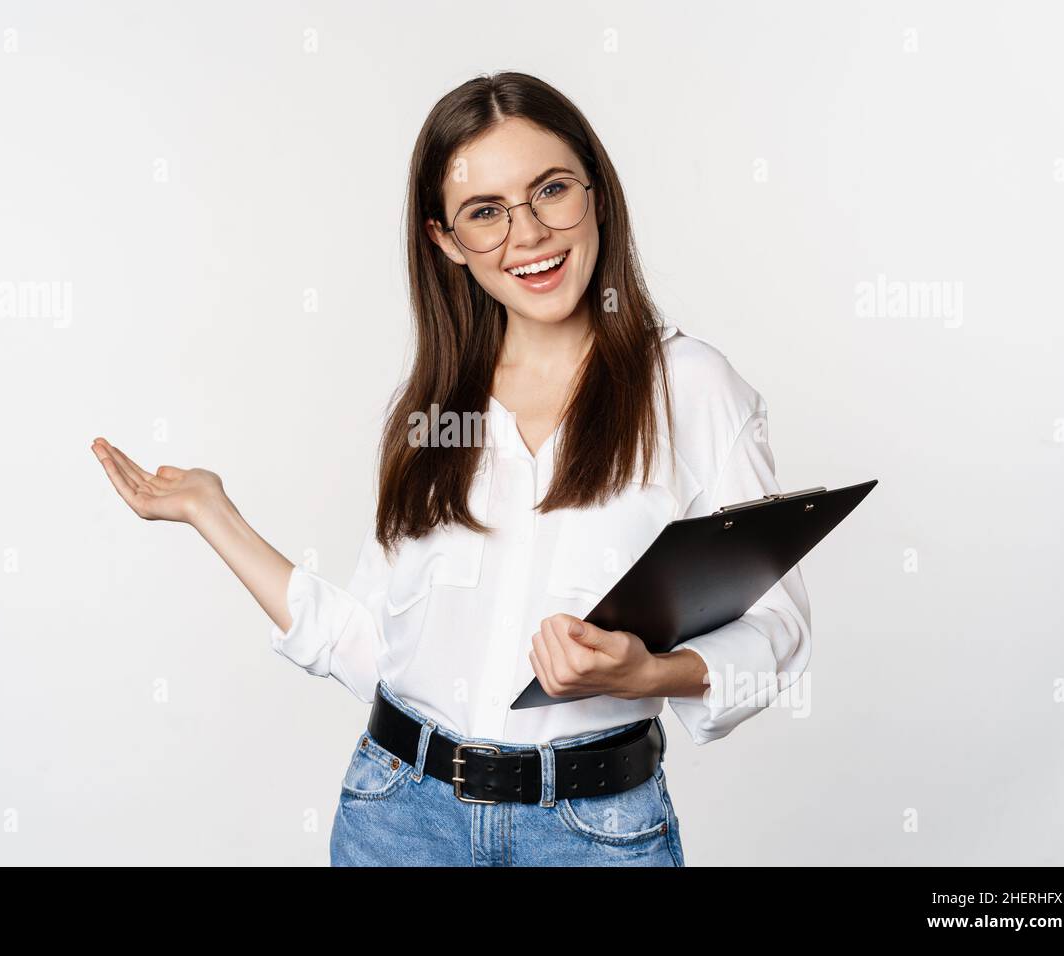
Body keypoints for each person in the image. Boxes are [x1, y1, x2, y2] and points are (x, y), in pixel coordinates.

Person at [91, 71, 810, 867]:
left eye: (551, 190)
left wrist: (649, 675)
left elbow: (778, 632)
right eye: (486, 213)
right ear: (446, 241)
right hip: (398, 819)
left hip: (594, 833)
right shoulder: (436, 412)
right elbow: (373, 649)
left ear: (596, 192)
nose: (528, 235)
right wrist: (211, 512)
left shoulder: (692, 389)